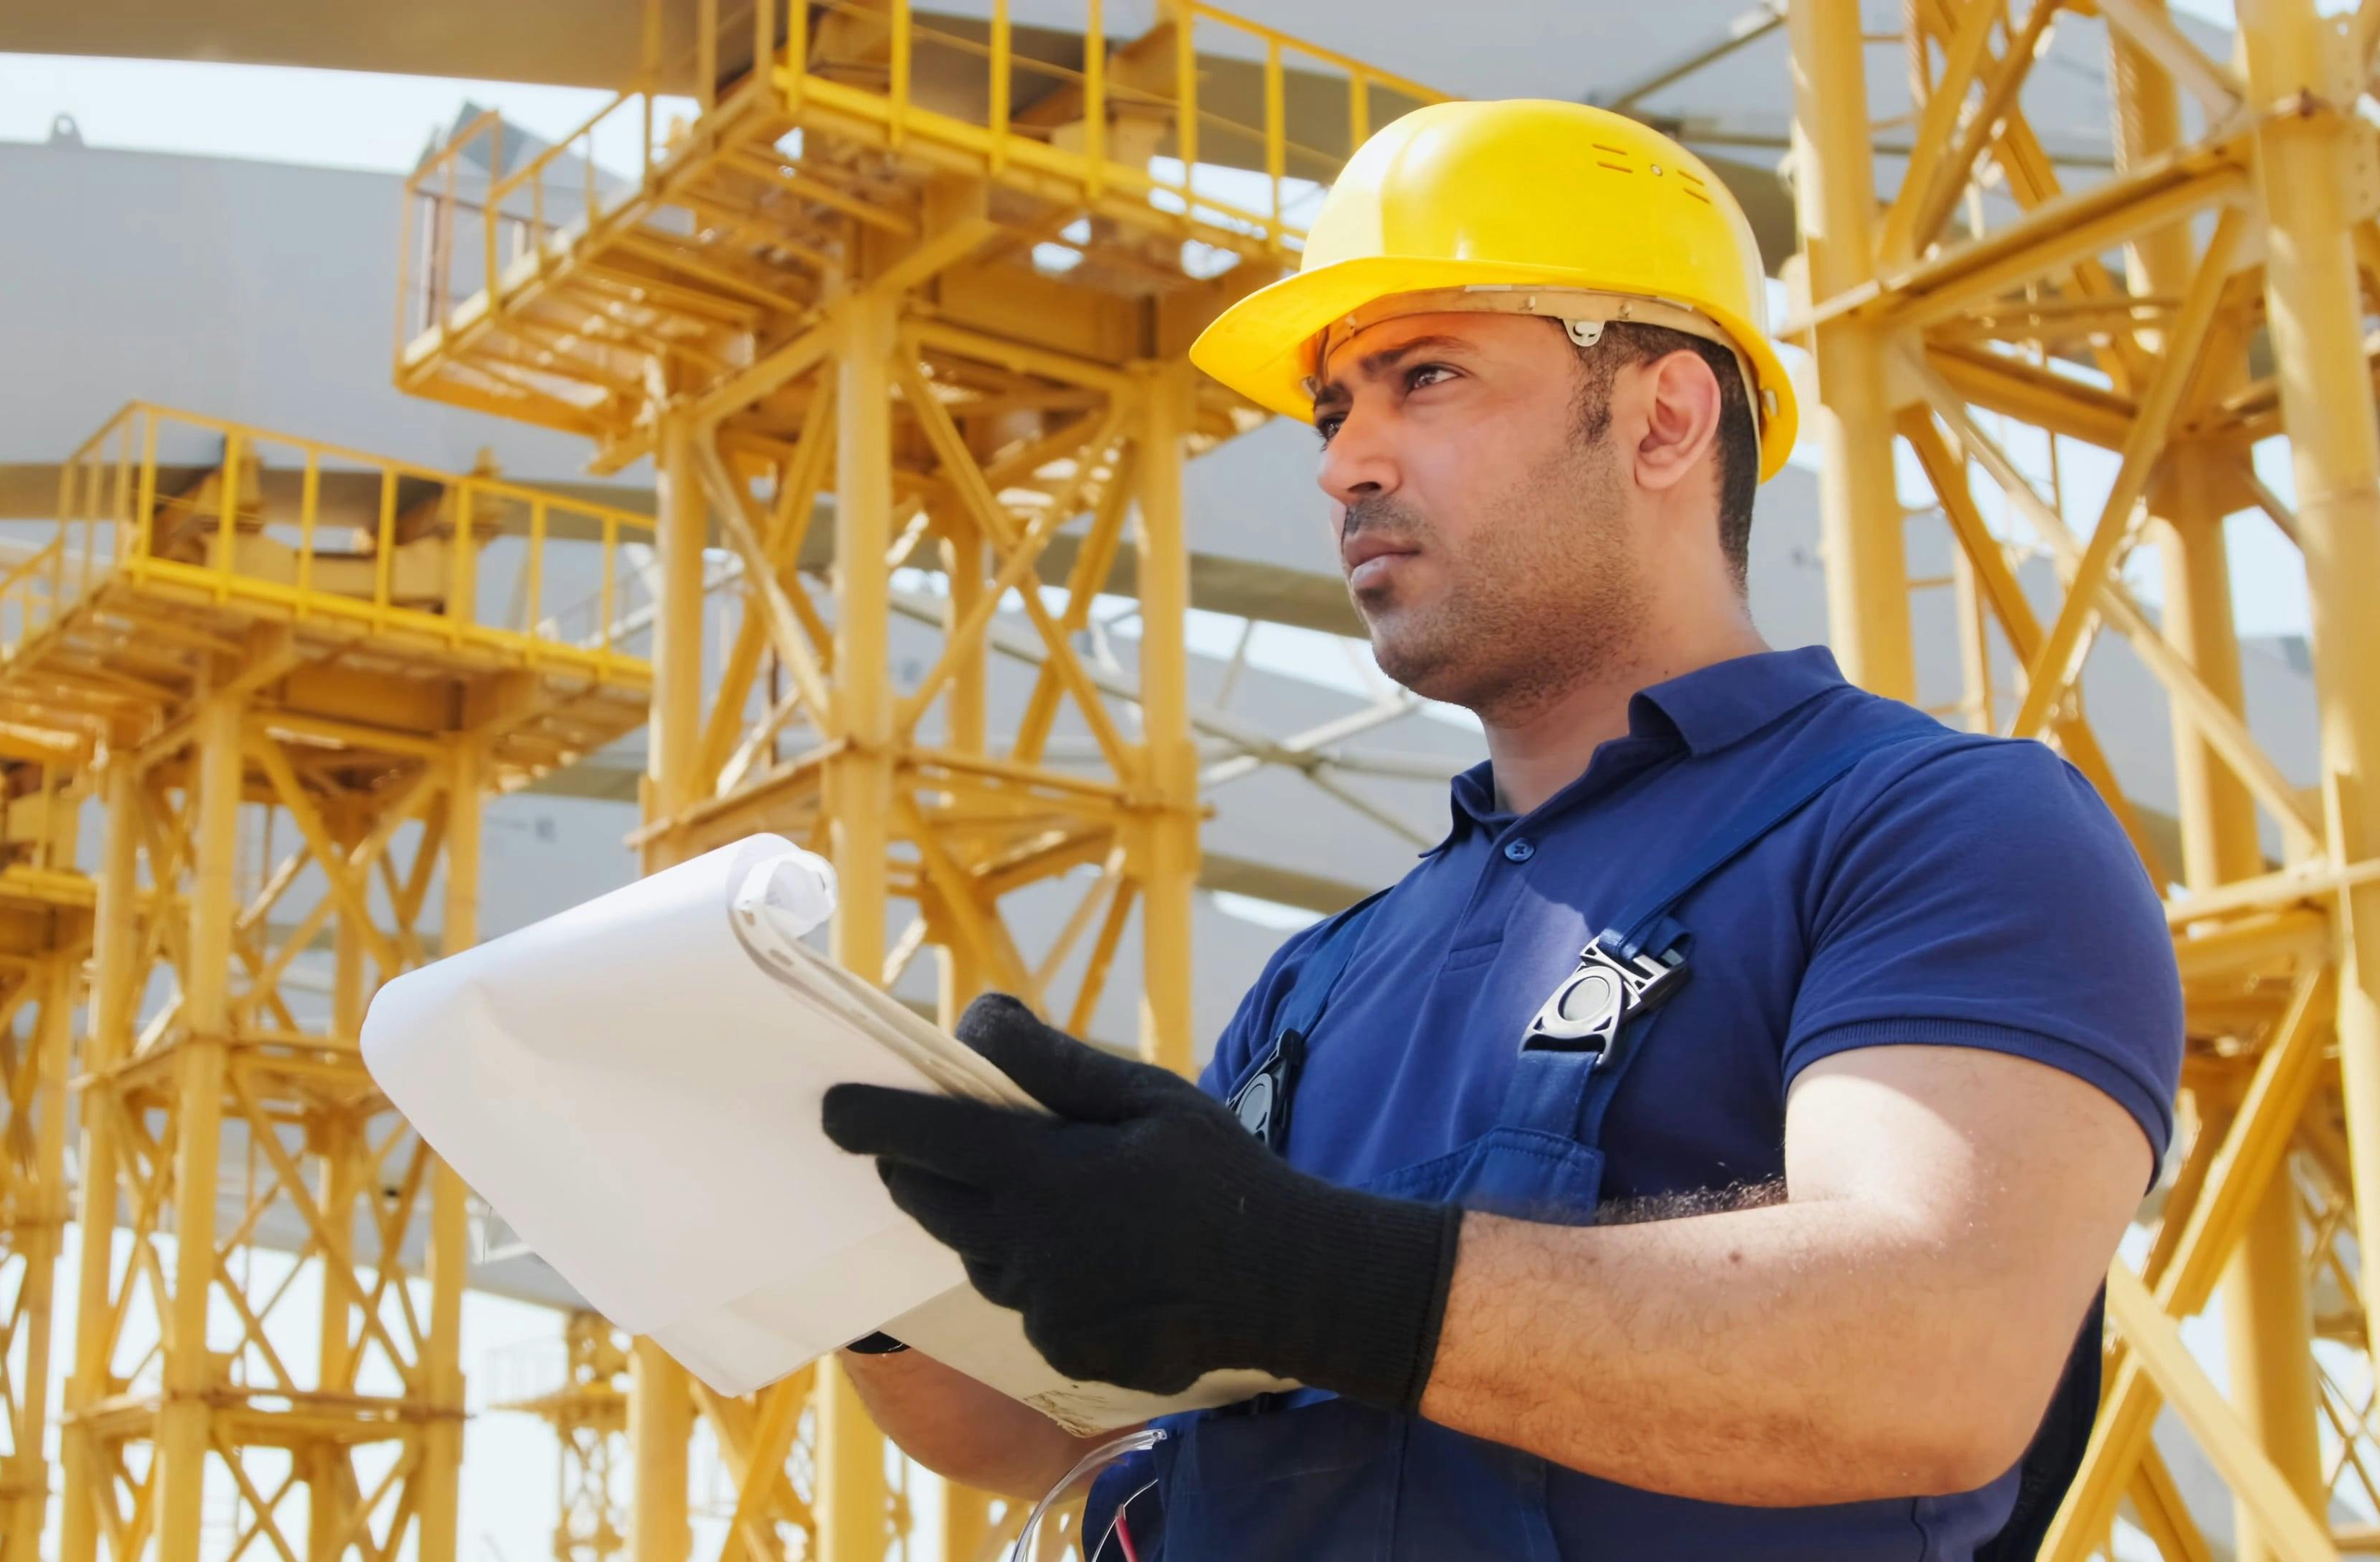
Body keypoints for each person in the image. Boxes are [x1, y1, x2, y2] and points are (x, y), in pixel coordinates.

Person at [818, 98, 2180, 1560]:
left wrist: (1304, 1275)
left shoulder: (1930, 832)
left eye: (1427, 377)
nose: (1346, 462)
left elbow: (1935, 1348)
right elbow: (1051, 1411)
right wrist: (822, 1243)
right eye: (1336, 408)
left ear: (1664, 417)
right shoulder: (1327, 978)